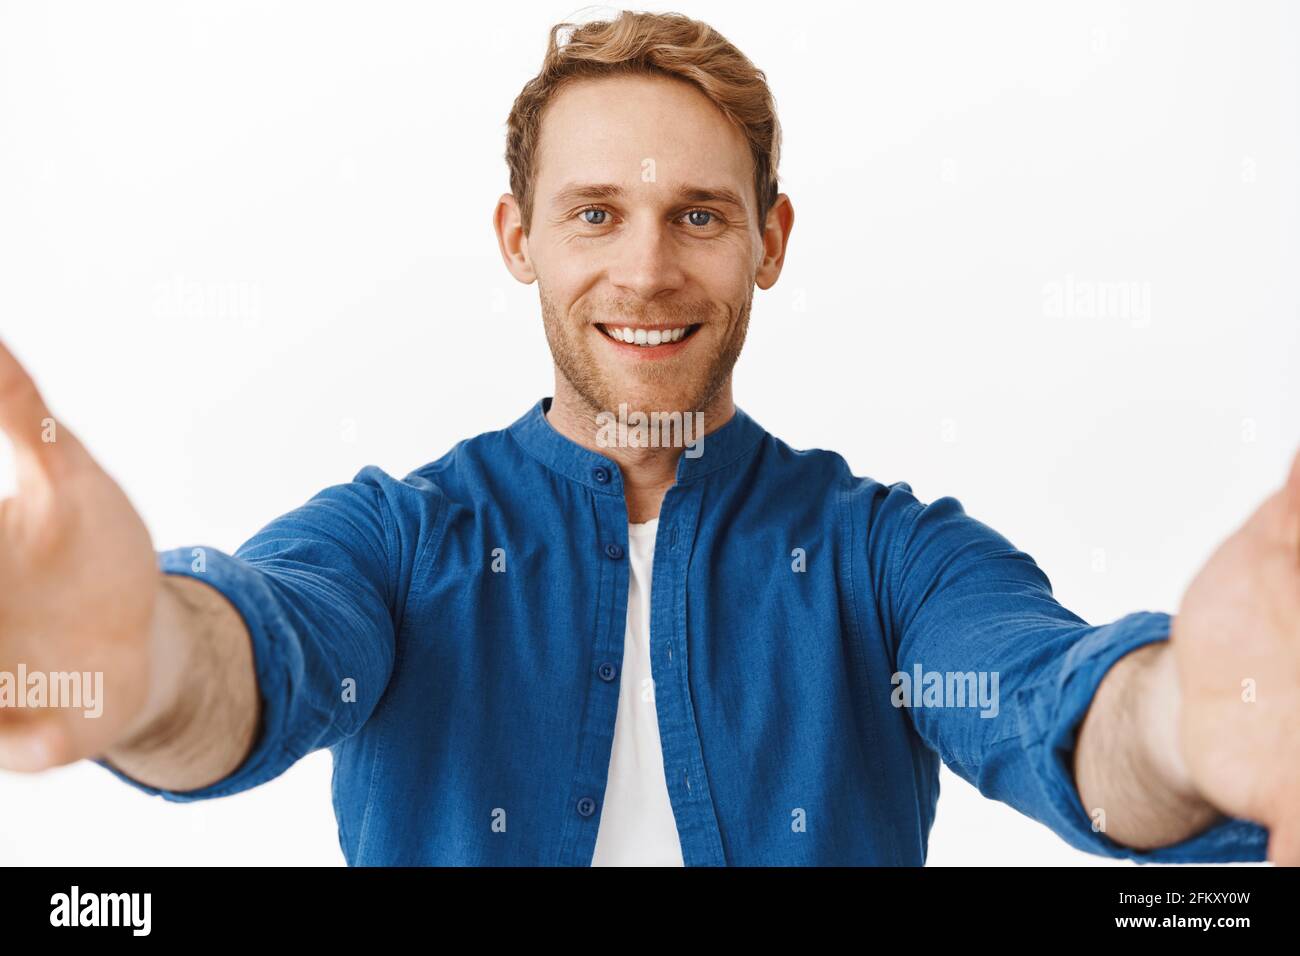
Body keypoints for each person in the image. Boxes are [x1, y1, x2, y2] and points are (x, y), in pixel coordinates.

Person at [0, 10, 1296, 866]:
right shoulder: (399, 540)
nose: (646, 273)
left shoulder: (889, 557)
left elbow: (1044, 703)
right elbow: (260, 662)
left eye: (697, 218)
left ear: (768, 243)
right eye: (595, 215)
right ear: (520, 240)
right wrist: (150, 663)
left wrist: (1191, 720)